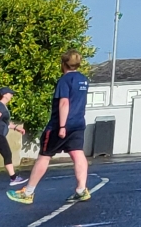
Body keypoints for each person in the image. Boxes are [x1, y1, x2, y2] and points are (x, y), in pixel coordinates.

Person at [9, 52, 91, 204]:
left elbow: (64, 103)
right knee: (77, 153)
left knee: (44, 156)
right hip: (79, 123)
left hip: (60, 124)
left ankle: (28, 192)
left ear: (64, 64)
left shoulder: (64, 80)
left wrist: (61, 126)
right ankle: (81, 189)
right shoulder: (83, 80)